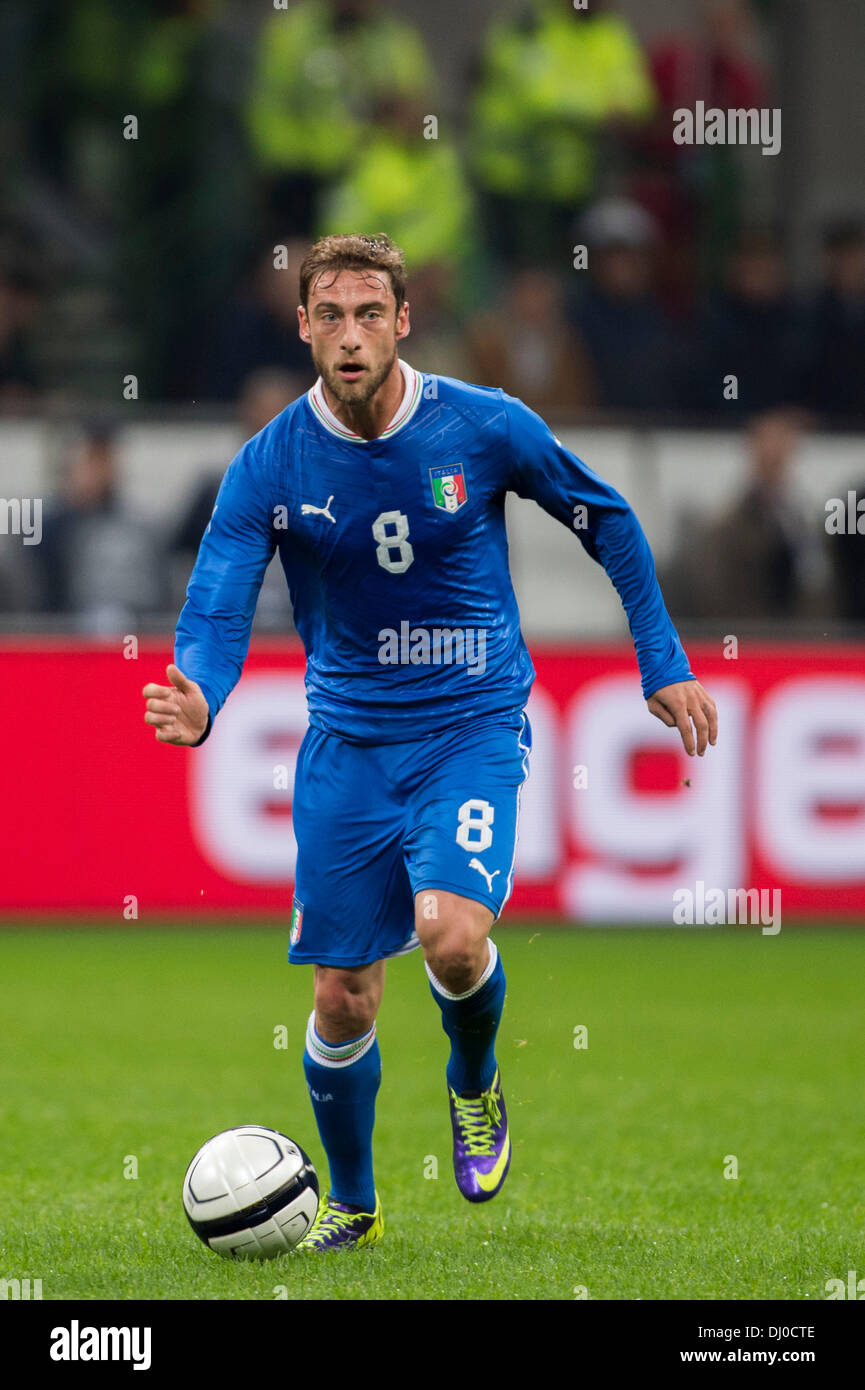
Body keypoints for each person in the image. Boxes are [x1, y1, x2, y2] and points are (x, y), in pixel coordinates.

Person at [142, 234, 717, 1251]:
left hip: (468, 727)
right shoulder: (268, 462)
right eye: (331, 315)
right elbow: (222, 600)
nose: (351, 335)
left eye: (371, 314)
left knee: (452, 935)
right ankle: (355, 1204)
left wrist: (661, 658)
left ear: (403, 321)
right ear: (306, 326)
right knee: (342, 993)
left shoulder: (483, 426)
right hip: (347, 745)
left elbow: (608, 518)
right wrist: (204, 693)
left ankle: (474, 1077)